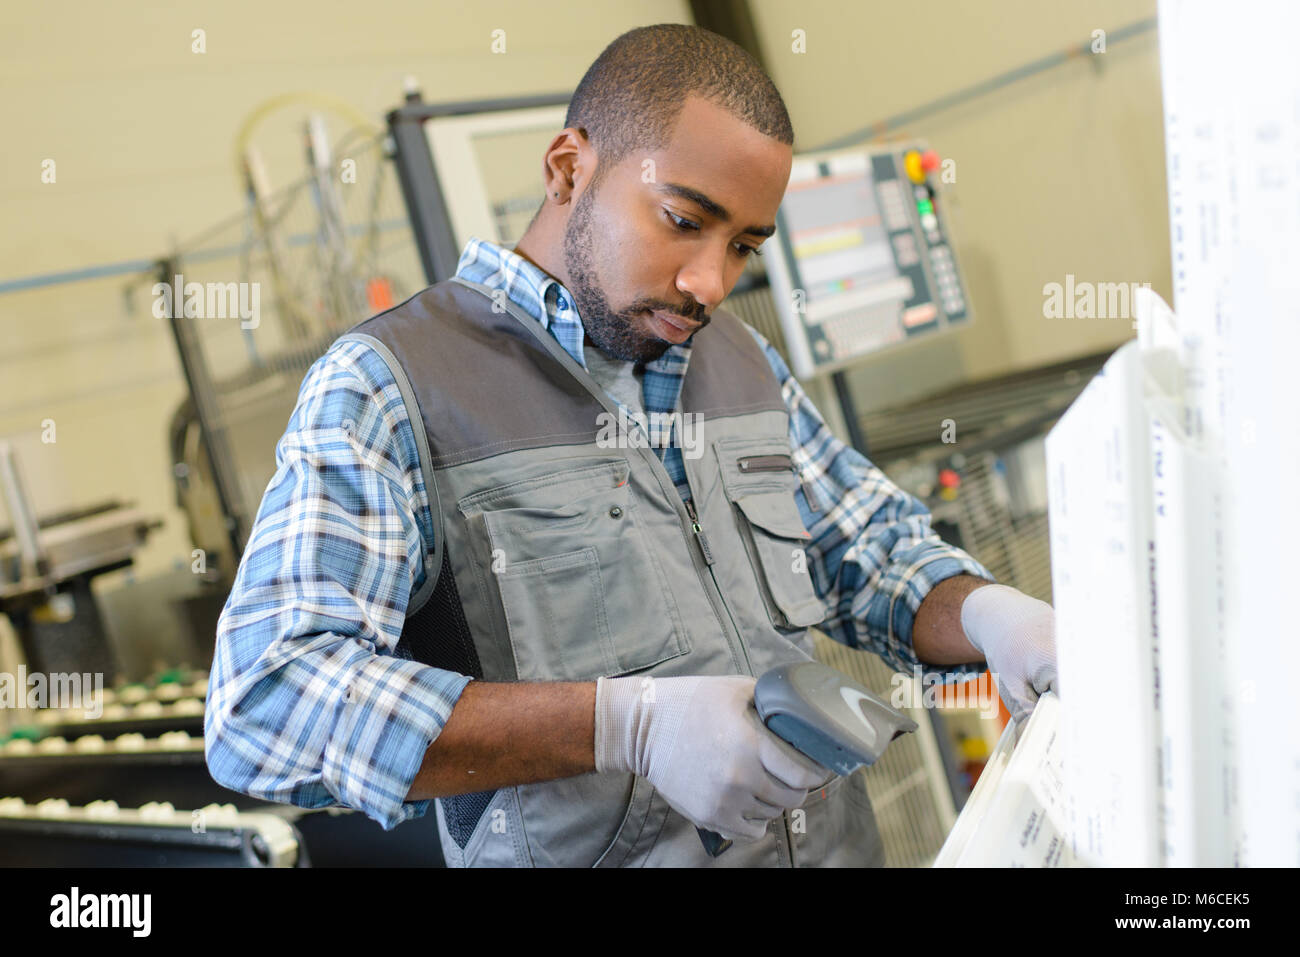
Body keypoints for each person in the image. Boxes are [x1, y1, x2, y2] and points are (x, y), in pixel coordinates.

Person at [204, 23, 1057, 867]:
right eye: (684, 220)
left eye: (744, 248)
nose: (709, 283)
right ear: (569, 168)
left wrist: (987, 614)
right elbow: (265, 705)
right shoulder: (394, 387)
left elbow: (867, 549)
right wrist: (627, 725)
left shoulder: (739, 361)